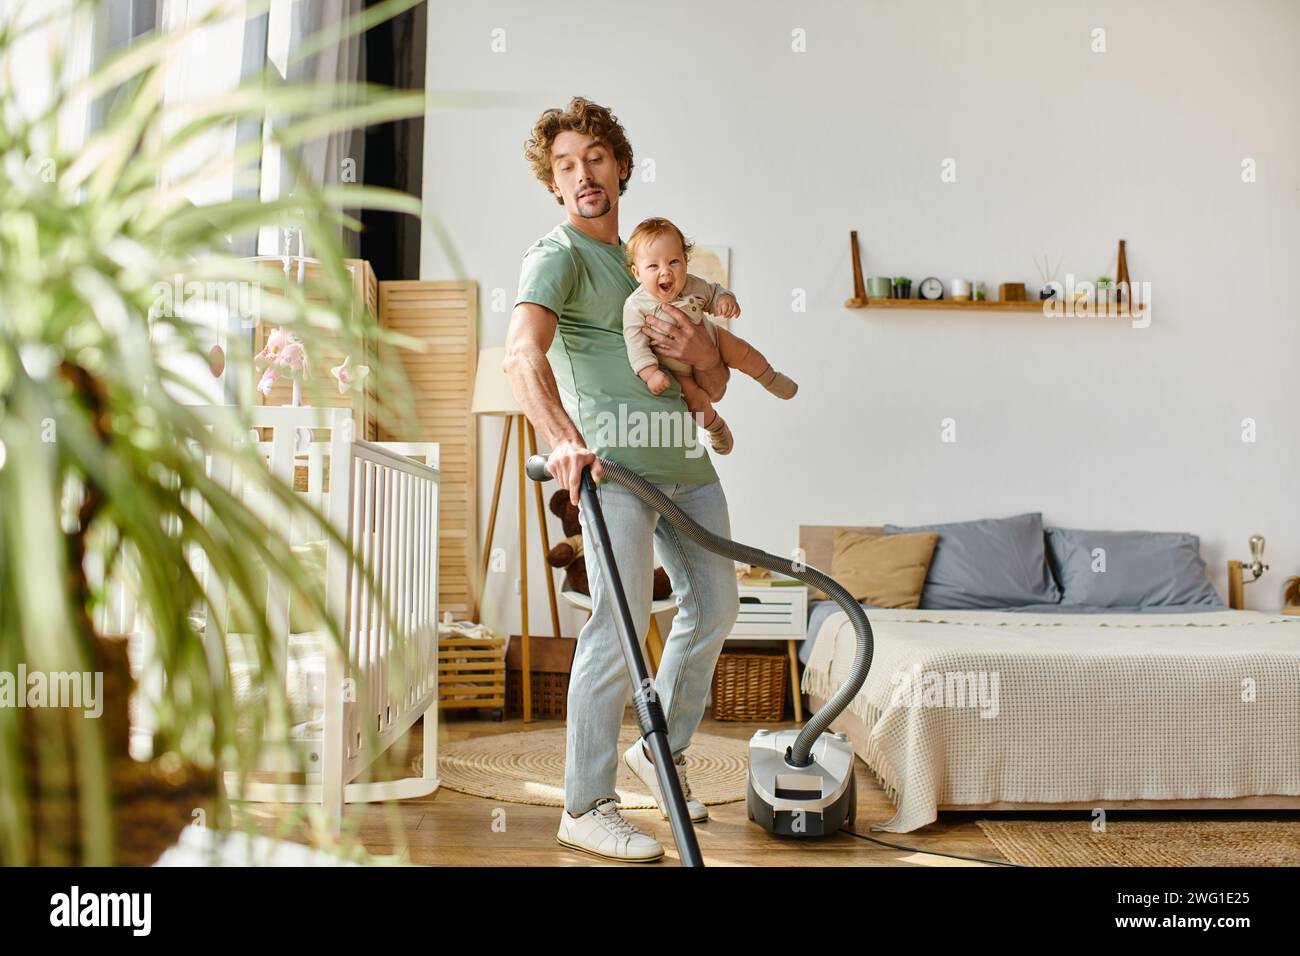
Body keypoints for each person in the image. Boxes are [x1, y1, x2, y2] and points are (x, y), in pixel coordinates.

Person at [502, 97, 740, 862]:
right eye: (566, 165)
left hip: (687, 466)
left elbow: (716, 377)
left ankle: (657, 750)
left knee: (716, 607)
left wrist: (704, 361)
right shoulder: (558, 255)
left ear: (622, 167)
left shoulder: (655, 262)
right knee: (620, 622)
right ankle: (586, 804)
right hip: (618, 472)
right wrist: (563, 442)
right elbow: (521, 355)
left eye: (596, 158)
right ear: (554, 183)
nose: (584, 175)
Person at [622, 216, 798, 454]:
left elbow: (714, 293)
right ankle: (716, 429)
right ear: (637, 273)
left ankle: (769, 377)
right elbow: (635, 345)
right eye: (653, 266)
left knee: (743, 351)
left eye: (674, 261)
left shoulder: (693, 285)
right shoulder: (635, 306)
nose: (665, 271)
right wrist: (650, 373)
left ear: (686, 261)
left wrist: (724, 300)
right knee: (695, 402)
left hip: (712, 338)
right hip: (673, 368)